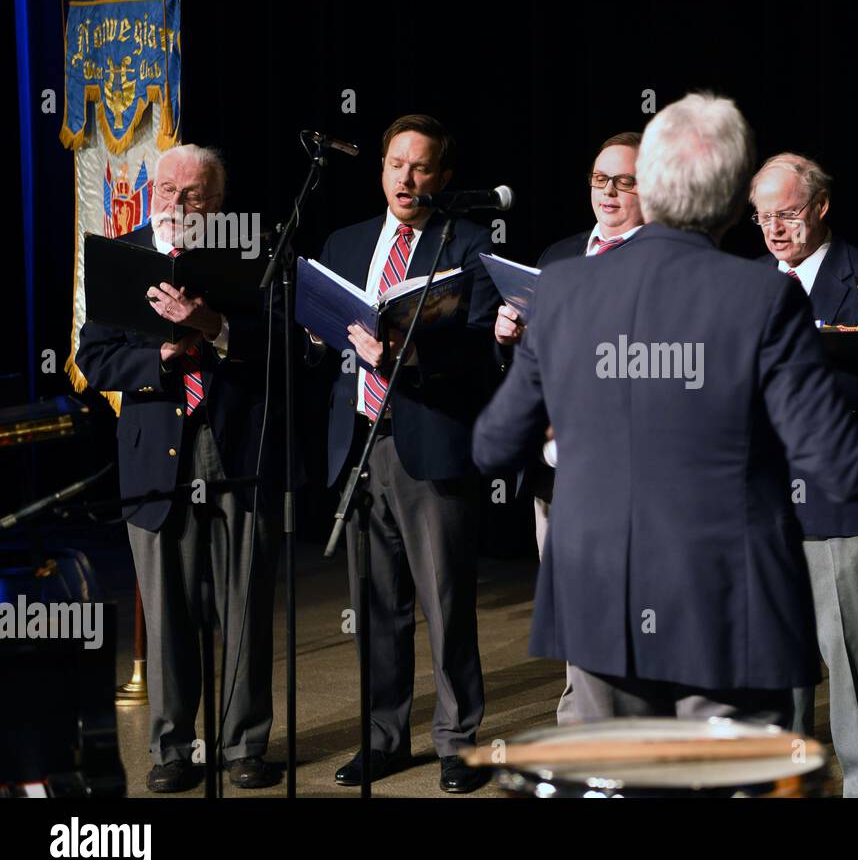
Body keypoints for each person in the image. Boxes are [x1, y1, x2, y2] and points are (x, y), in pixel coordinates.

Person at [472, 92, 858, 725]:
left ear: (652, 186)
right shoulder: (760, 296)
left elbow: (491, 448)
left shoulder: (563, 289)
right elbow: (832, 460)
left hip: (595, 596)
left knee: (617, 783)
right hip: (724, 600)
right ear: (734, 201)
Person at [78, 144, 281, 792]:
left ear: (219, 203)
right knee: (165, 609)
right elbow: (95, 360)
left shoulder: (251, 250)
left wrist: (215, 325)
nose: (178, 204)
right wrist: (162, 358)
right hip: (154, 452)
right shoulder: (122, 256)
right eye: (167, 190)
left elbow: (286, 343)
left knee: (243, 602)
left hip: (235, 444)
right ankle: (172, 749)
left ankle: (243, 744)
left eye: (195, 195)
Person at [309, 114, 501, 793]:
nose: (406, 178)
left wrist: (408, 353)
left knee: (446, 604)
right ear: (381, 169)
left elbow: (483, 351)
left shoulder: (469, 244)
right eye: (396, 164)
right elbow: (323, 325)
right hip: (360, 439)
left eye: (421, 167)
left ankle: (457, 742)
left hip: (431, 439)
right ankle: (385, 738)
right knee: (375, 604)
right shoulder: (346, 240)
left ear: (442, 178)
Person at [750, 152, 858, 797]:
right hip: (762, 505)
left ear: (820, 207)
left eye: (787, 214)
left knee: (850, 662)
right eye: (762, 217)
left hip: (841, 497)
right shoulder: (748, 282)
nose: (774, 230)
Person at [494, 131, 645, 725]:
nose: (609, 192)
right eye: (600, 179)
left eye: (625, 181)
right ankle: (584, 728)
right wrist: (510, 339)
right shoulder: (558, 255)